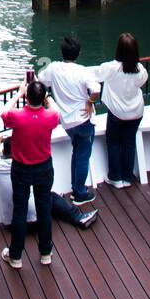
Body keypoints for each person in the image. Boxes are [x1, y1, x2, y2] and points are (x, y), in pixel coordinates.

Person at [0, 78, 59, 269]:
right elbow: (56, 110)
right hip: (44, 168)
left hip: (21, 169)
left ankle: (16, 256)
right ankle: (45, 253)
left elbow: (3, 112)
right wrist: (47, 98)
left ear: (27, 98)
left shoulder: (17, 116)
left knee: (20, 210)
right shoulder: (50, 116)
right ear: (42, 99)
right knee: (44, 210)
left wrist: (18, 93)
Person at [45, 36, 100, 204]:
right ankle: (79, 192)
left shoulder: (53, 68)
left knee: (77, 152)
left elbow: (40, 80)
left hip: (67, 122)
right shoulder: (82, 71)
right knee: (82, 156)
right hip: (83, 119)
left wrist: (46, 97)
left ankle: (76, 188)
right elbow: (97, 89)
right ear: (78, 53)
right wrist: (90, 102)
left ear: (62, 52)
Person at [93, 33, 148, 188]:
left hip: (117, 112)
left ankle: (115, 178)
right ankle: (127, 177)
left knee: (113, 142)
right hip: (136, 111)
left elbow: (95, 74)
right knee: (129, 142)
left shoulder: (111, 68)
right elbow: (142, 82)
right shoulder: (140, 70)